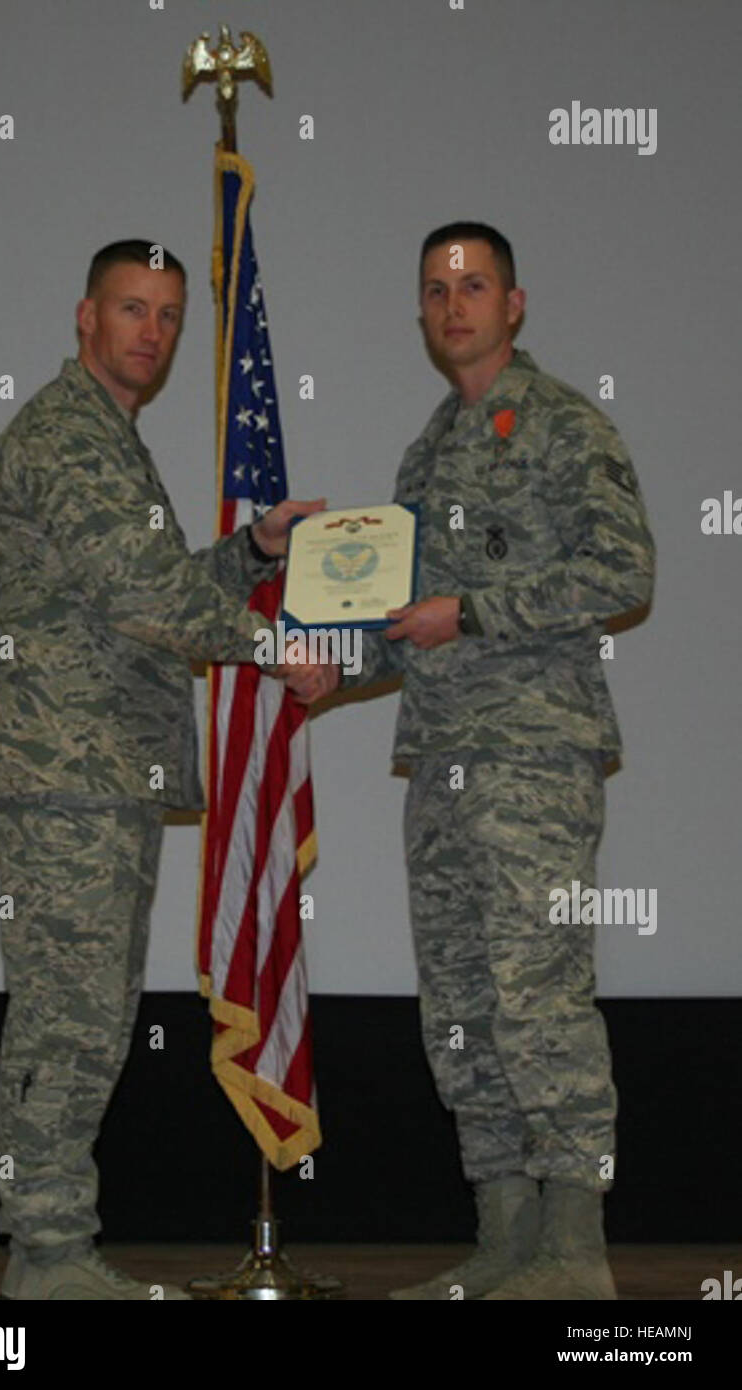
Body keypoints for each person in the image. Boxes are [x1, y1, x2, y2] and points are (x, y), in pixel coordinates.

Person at [301, 222, 655, 1300]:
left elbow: (623, 569)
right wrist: (337, 664)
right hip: (445, 764)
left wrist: (480, 609)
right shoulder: (428, 449)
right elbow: (409, 617)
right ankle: (505, 1237)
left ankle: (574, 1253)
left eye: (472, 285)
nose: (453, 305)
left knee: (537, 993)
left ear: (514, 303)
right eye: (434, 290)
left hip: (531, 759)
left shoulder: (563, 426)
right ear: (422, 315)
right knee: (460, 1003)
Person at [0, 240, 322, 1300]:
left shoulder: (113, 442)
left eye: (169, 315)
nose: (152, 332)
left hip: (102, 773)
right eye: (132, 308)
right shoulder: (63, 435)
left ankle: (57, 1246)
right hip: (65, 770)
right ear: (85, 316)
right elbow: (146, 598)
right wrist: (270, 644)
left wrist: (257, 550)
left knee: (89, 1013)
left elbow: (162, 583)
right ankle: (43, 1254)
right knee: (65, 1015)